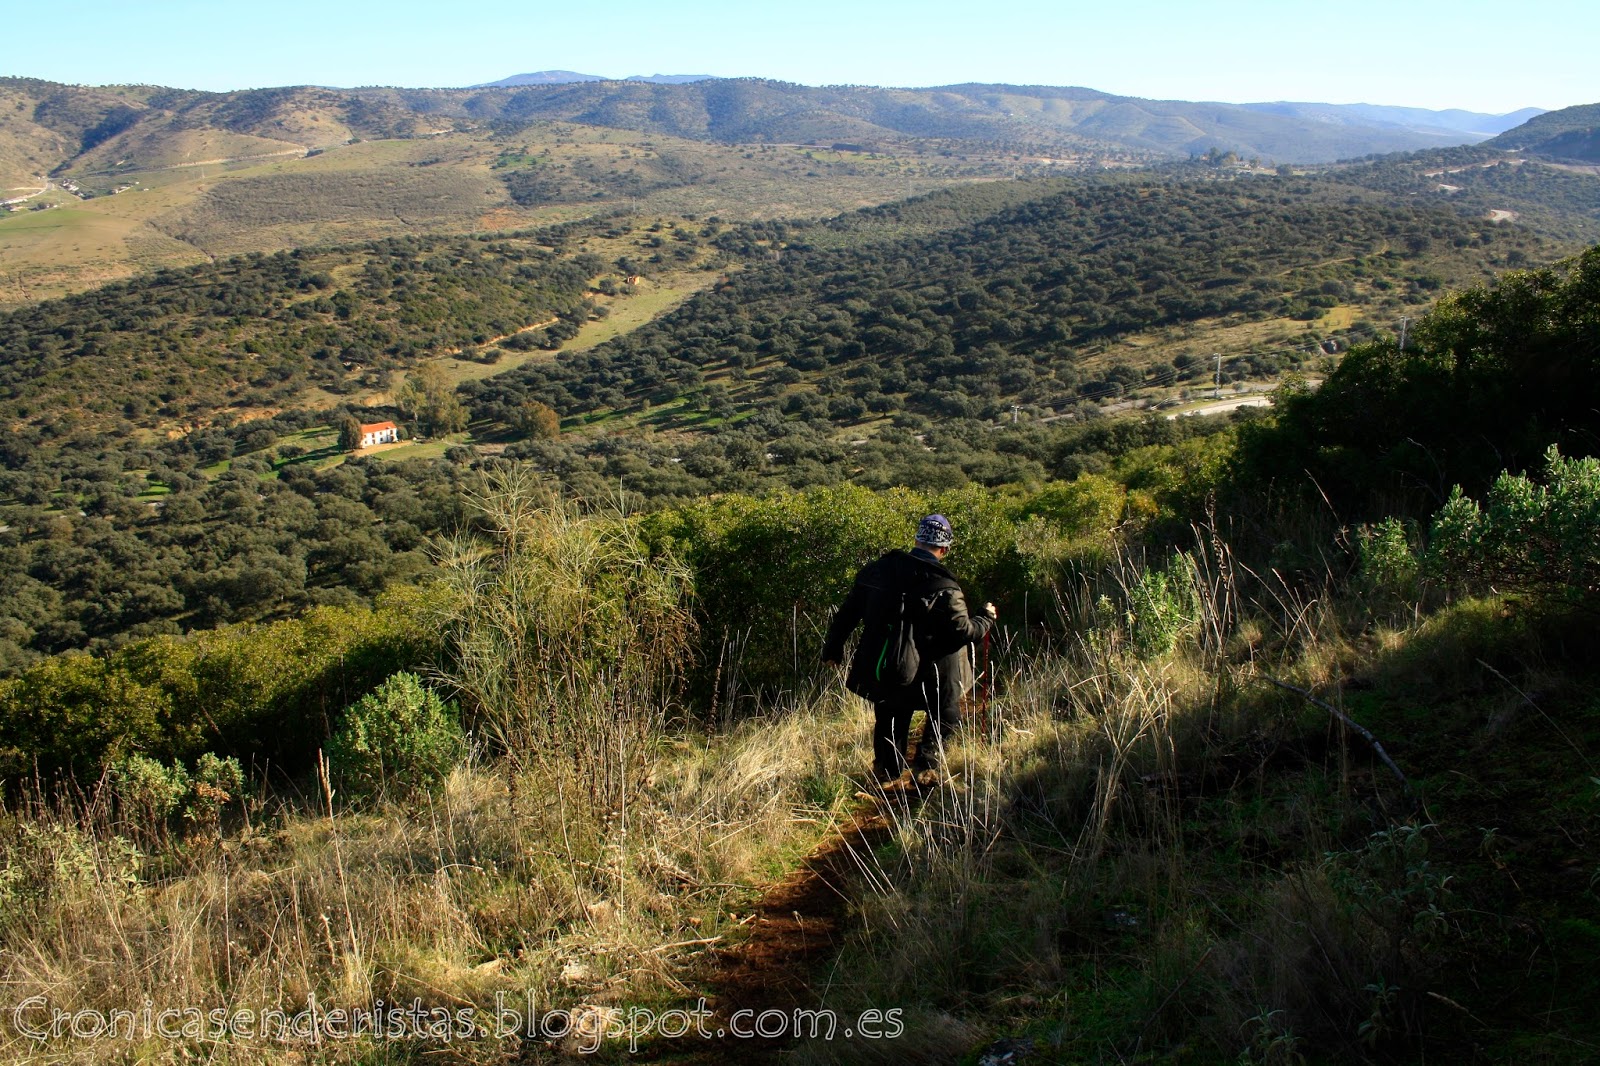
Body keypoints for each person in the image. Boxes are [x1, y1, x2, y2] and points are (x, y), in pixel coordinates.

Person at [821, 514, 997, 785]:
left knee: (891, 712)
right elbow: (964, 631)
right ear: (944, 549)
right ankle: (927, 768)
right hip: (937, 670)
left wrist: (833, 648)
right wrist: (986, 617)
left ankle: (887, 771)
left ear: (916, 540)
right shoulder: (947, 587)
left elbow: (848, 613)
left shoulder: (877, 571)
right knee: (944, 712)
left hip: (889, 662)